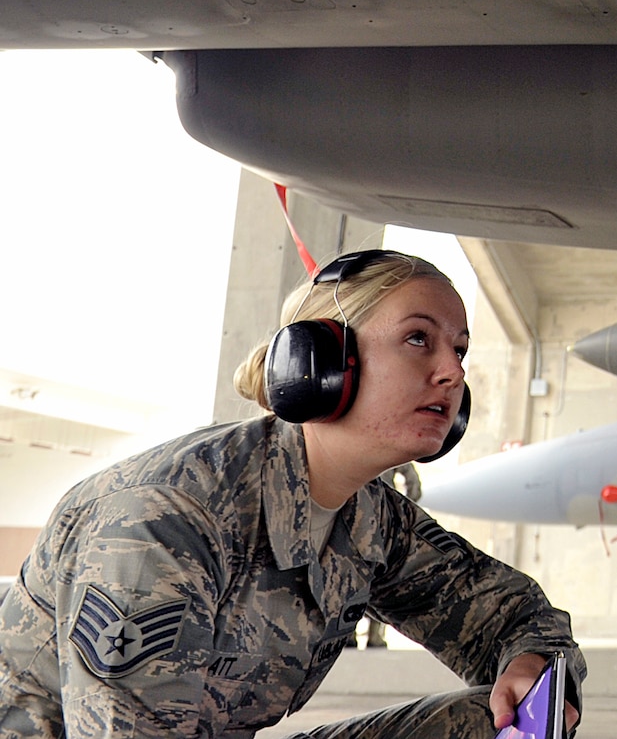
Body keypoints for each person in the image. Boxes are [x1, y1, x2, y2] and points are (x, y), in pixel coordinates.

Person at [0, 251, 584, 739]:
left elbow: (513, 616)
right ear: (324, 362)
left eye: (458, 350)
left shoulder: (372, 519)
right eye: (417, 339)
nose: (451, 373)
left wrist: (530, 664)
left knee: (485, 724)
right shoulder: (167, 518)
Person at [357, 463, 423, 650]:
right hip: (384, 519)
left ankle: (348, 634)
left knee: (354, 573)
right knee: (380, 575)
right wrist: (402, 508)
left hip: (356, 518)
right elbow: (414, 484)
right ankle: (375, 636)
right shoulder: (392, 448)